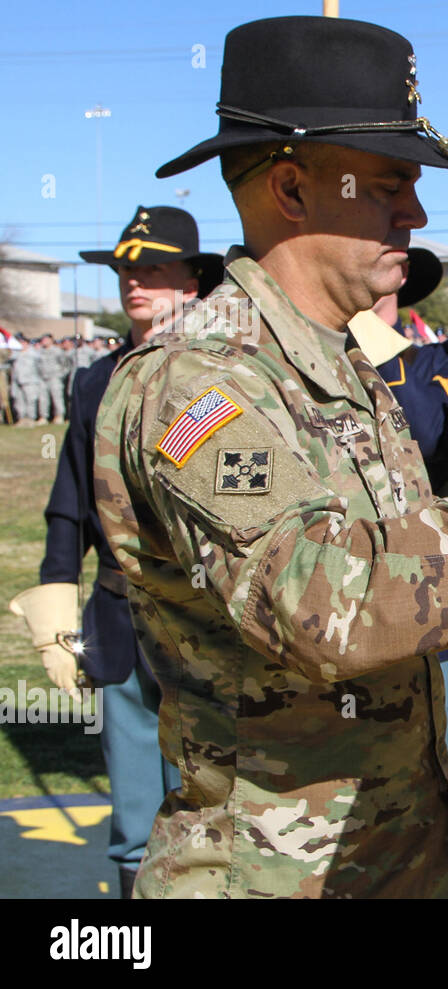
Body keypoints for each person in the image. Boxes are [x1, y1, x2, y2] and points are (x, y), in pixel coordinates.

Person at [92, 15, 448, 899]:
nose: (420, 212)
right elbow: (328, 608)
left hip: (399, 862)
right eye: (391, 185)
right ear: (290, 189)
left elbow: (419, 588)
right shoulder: (199, 386)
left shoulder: (343, 367)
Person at [9, 205, 222, 898]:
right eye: (127, 269)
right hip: (118, 605)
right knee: (133, 795)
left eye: (154, 269)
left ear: (192, 281)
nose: (135, 282)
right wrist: (54, 593)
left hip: (202, 611)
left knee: (210, 790)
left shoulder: (219, 375)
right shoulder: (93, 381)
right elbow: (69, 498)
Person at [348, 246, 448, 765]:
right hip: (335, 601)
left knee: (424, 776)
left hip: (423, 596)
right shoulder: (301, 365)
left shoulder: (435, 364)